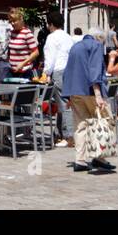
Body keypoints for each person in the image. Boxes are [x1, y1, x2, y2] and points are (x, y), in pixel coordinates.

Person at [61, 28, 116, 175]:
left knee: (80, 125)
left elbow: (68, 71)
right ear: (99, 38)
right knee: (106, 121)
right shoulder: (96, 45)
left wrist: (67, 96)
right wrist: (98, 94)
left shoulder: (75, 47)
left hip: (75, 91)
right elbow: (95, 70)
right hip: (90, 91)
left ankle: (80, 160)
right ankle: (100, 157)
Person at [41, 10, 74, 147]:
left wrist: (45, 73)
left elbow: (50, 59)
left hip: (58, 71)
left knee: (64, 104)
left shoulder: (52, 37)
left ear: (51, 24)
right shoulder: (68, 37)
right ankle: (59, 134)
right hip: (70, 71)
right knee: (64, 103)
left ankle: (69, 136)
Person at [6, 8, 39, 79]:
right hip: (12, 71)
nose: (12, 23)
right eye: (11, 21)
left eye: (14, 21)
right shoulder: (11, 33)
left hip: (25, 72)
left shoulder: (27, 33)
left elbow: (36, 53)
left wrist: (22, 64)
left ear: (20, 20)